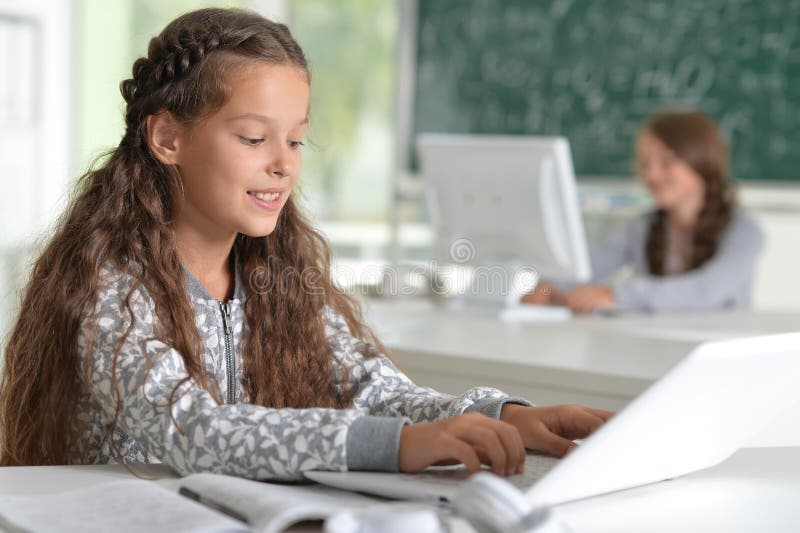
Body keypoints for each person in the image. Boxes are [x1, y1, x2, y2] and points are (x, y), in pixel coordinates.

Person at [0, 8, 610, 478]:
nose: (283, 165)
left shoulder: (276, 271)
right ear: (167, 139)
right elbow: (192, 430)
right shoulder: (111, 282)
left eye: (294, 141)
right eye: (252, 138)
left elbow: (368, 387)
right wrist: (392, 448)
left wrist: (498, 416)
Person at [524, 110, 763, 314]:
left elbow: (707, 289)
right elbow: (584, 270)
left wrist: (617, 295)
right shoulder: (640, 227)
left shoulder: (744, 230)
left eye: (666, 162)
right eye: (644, 163)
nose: (652, 175)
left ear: (701, 161)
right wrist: (545, 289)